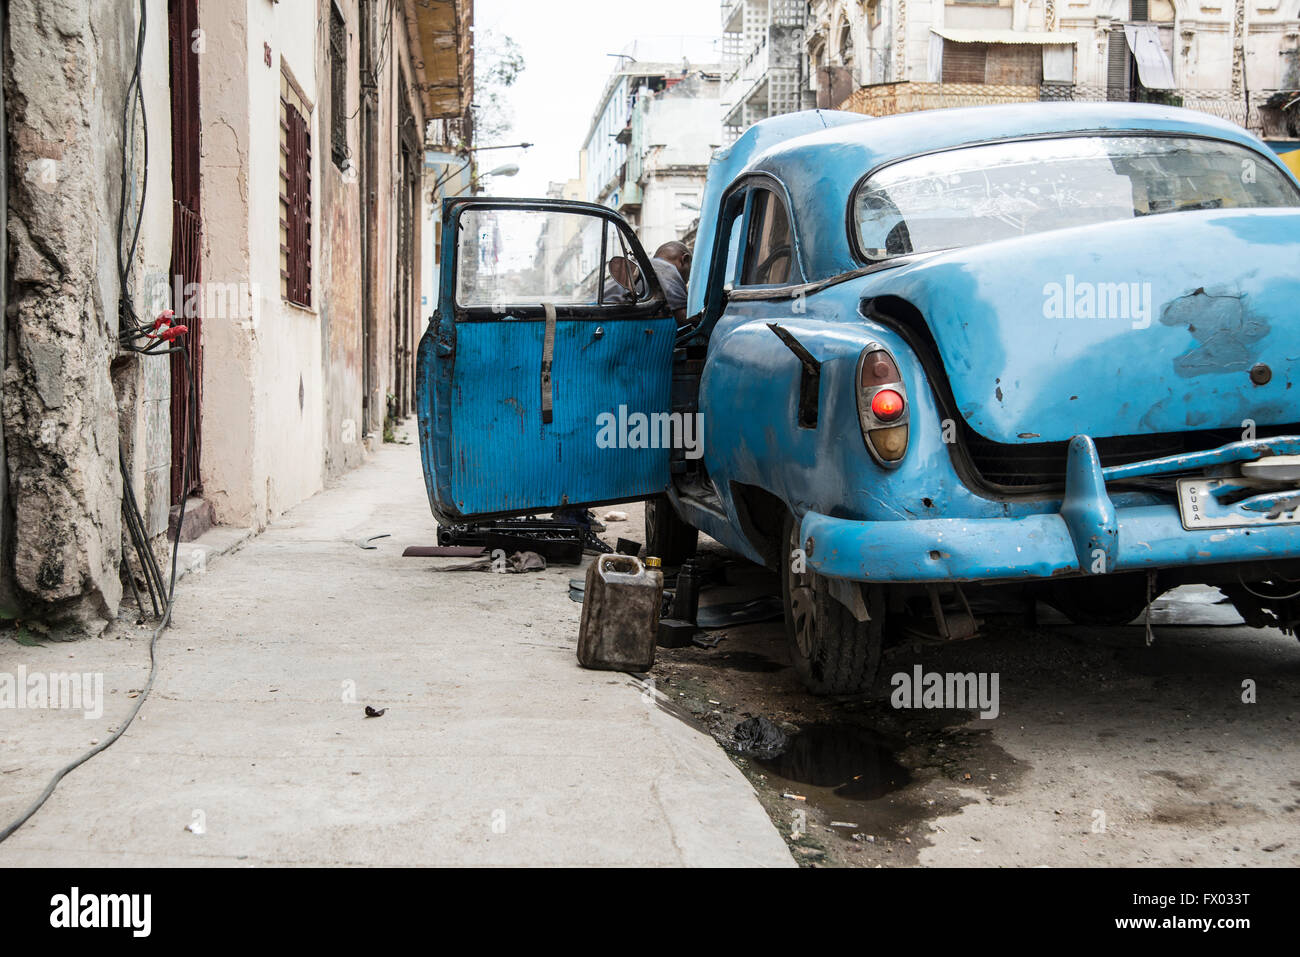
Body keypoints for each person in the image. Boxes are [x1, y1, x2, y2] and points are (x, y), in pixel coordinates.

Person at [605, 240, 691, 324]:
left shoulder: (645, 267)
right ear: (684, 259)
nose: (688, 278)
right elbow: (682, 317)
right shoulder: (666, 268)